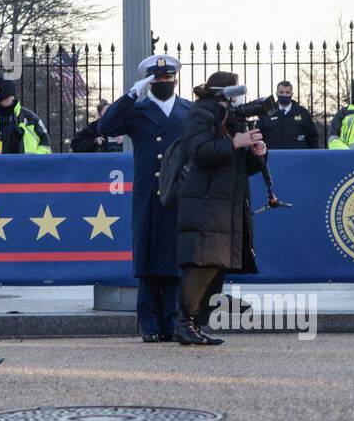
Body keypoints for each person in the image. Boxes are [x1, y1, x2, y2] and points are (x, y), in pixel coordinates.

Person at [97, 55, 190, 340]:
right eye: (157, 79)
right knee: (149, 257)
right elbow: (105, 127)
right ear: (149, 82)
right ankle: (149, 323)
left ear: (175, 79)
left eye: (167, 78)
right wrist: (130, 95)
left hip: (177, 192)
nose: (163, 83)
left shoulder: (189, 110)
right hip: (149, 192)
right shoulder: (138, 110)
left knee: (174, 257)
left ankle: (173, 321)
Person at [174, 72, 266, 346]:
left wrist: (255, 153)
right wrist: (234, 143)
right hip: (206, 199)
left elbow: (240, 165)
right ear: (222, 91)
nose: (238, 96)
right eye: (234, 90)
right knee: (202, 263)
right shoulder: (201, 112)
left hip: (226, 201)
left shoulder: (232, 115)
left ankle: (197, 324)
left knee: (217, 265)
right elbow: (199, 151)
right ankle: (184, 323)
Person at [0, 77, 52, 155]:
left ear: (6, 90)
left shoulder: (29, 118)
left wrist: (33, 161)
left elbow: (45, 145)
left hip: (22, 168)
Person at [257, 81, 319, 150]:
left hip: (298, 157)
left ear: (291, 94)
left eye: (287, 92)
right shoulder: (266, 113)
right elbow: (259, 137)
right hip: (272, 157)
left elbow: (313, 137)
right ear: (276, 93)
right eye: (281, 92)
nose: (284, 95)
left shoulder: (303, 113)